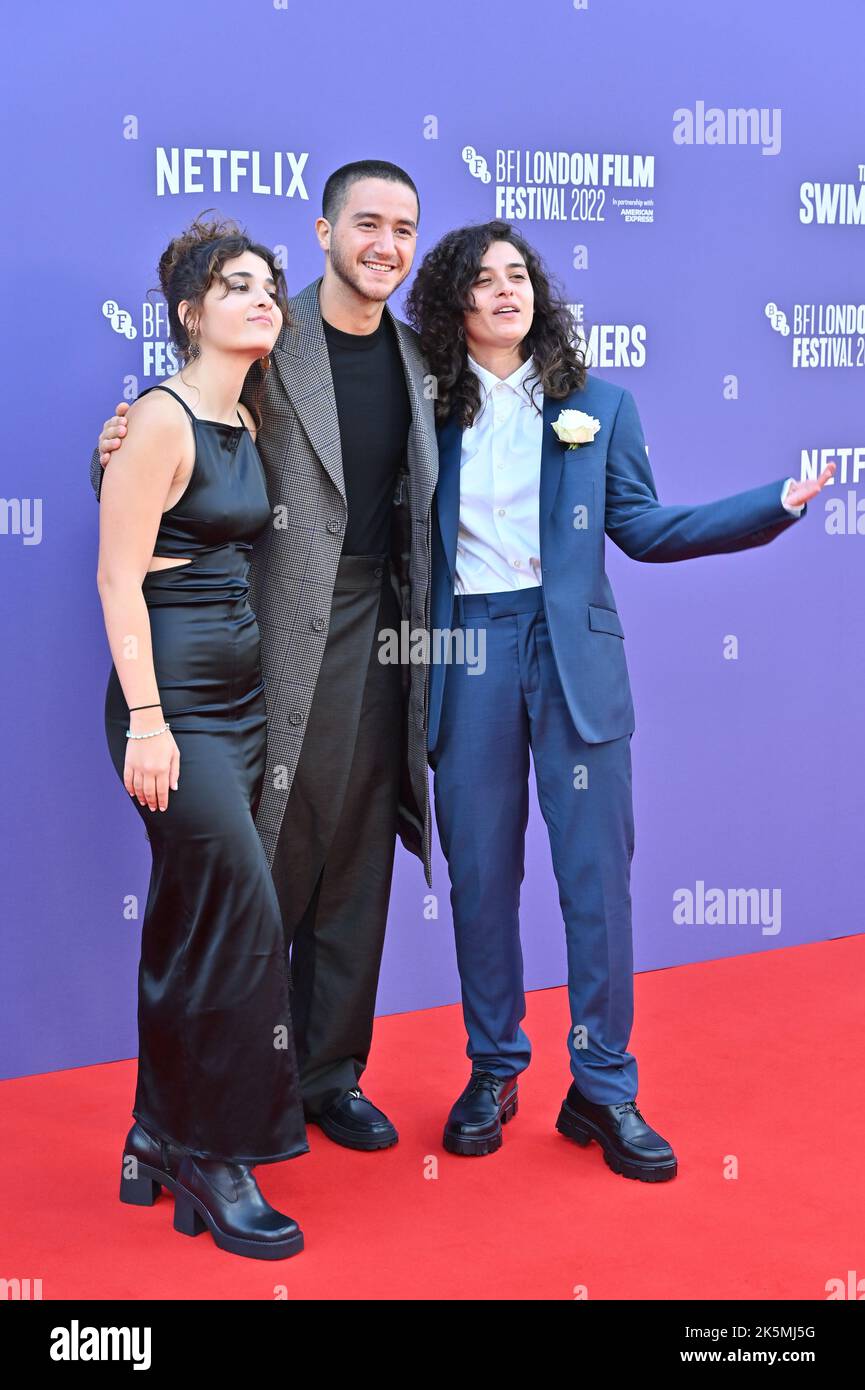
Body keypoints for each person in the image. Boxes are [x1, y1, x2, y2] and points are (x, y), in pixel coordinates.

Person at [405, 220, 835, 1181]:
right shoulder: (421, 410)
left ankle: (601, 1086)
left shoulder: (598, 406)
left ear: (538, 295)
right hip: (465, 649)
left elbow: (642, 528)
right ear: (451, 305)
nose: (505, 291)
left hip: (574, 664)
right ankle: (493, 1068)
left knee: (594, 880)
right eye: (482, 280)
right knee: (479, 875)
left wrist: (774, 503)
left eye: (517, 275)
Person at [91, 162, 438, 1151]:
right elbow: (161, 445)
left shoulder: (419, 358)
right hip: (286, 625)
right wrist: (108, 447)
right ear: (323, 231)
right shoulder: (268, 331)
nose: (385, 242)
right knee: (269, 860)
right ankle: (232, 1096)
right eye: (366, 222)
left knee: (360, 850)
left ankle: (331, 1072)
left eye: (404, 227)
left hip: (391, 629)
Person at [97, 214, 308, 1258]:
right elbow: (114, 575)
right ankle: (219, 1152)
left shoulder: (250, 418)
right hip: (170, 705)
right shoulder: (162, 420)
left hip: (239, 695)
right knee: (242, 916)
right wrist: (145, 721)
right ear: (189, 310)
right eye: (235, 284)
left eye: (269, 283)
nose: (262, 297)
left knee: (191, 922)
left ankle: (156, 1132)